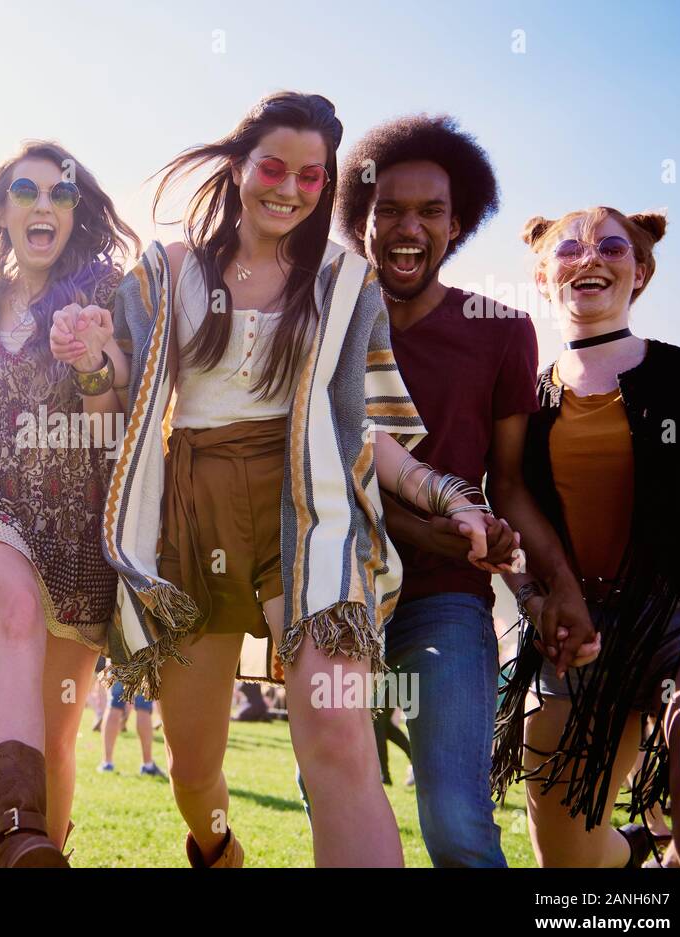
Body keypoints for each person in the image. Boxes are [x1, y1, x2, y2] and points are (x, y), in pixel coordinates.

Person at [100, 91, 492, 868]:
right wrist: (87, 363)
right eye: (273, 167)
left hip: (306, 513)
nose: (288, 188)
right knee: (193, 766)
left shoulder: (346, 282)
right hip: (188, 512)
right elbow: (118, 394)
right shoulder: (169, 268)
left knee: (337, 731)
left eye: (312, 177)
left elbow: (366, 429)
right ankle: (216, 847)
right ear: (240, 164)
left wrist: (449, 495)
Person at [332, 114, 599, 866]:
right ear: (362, 219)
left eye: (430, 211)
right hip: (333, 596)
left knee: (454, 822)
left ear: (460, 223)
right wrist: (412, 526)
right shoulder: (325, 326)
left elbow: (506, 485)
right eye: (388, 210)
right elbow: (309, 463)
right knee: (339, 801)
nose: (407, 227)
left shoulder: (501, 332)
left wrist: (560, 585)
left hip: (444, 600)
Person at [0, 140, 138, 866]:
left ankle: (30, 853)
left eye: (62, 193)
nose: (44, 204)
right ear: (2, 209)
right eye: (27, 190)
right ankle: (15, 828)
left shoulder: (105, 289)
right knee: (13, 609)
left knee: (57, 733)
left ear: (77, 212)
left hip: (79, 524)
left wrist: (91, 364)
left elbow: (116, 407)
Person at [493, 205, 680, 867]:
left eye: (613, 247)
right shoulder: (520, 400)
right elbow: (506, 515)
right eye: (569, 249)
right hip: (576, 631)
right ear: (541, 278)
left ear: (640, 272)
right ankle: (633, 864)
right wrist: (536, 601)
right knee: (568, 859)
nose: (590, 258)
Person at [99, 681, 165, 777]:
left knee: (114, 706)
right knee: (143, 708)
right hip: (144, 667)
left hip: (120, 666)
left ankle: (107, 763)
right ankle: (148, 765)